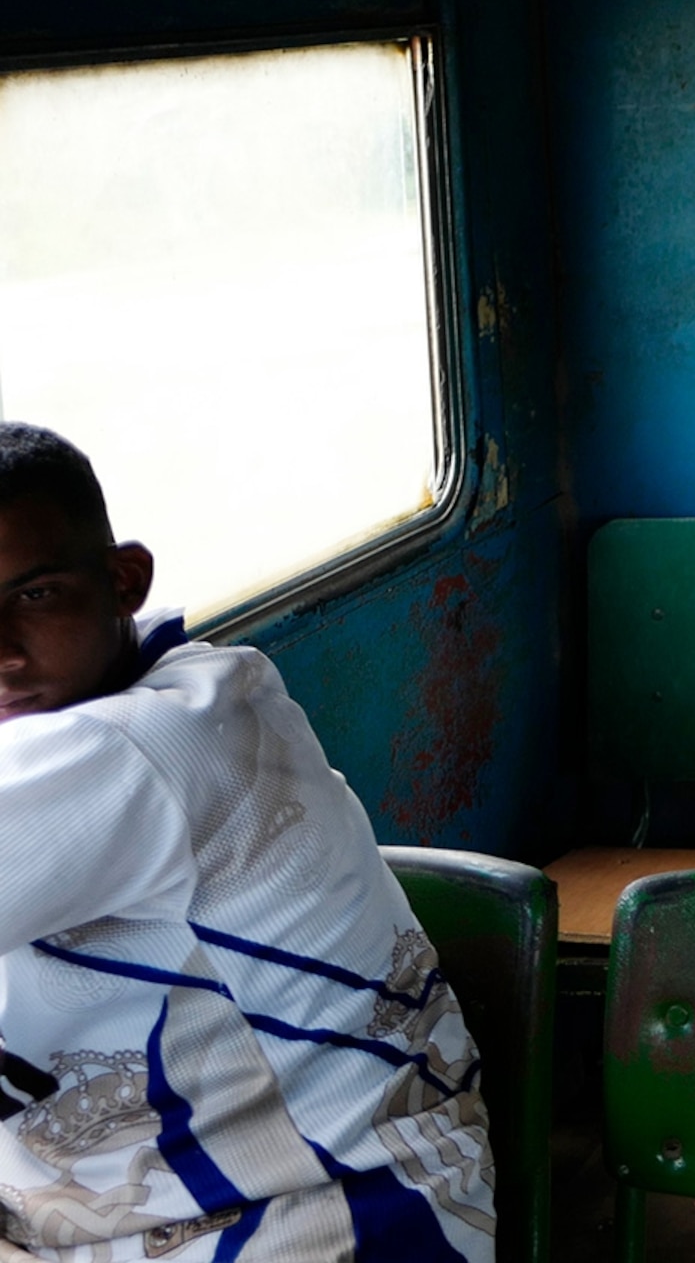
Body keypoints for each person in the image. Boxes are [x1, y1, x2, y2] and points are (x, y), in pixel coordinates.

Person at [0, 422, 495, 1262]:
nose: (3, 652)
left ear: (123, 582)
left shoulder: (148, 744)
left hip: (323, 1218)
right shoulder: (139, 702)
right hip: (130, 1212)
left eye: (36, 595)